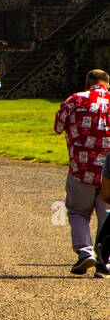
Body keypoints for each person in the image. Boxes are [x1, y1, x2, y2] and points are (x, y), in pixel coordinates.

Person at [54, 70, 110, 277]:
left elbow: (58, 126)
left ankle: (85, 252)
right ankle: (105, 260)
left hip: (81, 169)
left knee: (78, 212)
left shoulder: (75, 99)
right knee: (107, 215)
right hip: (109, 172)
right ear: (107, 84)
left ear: (88, 83)